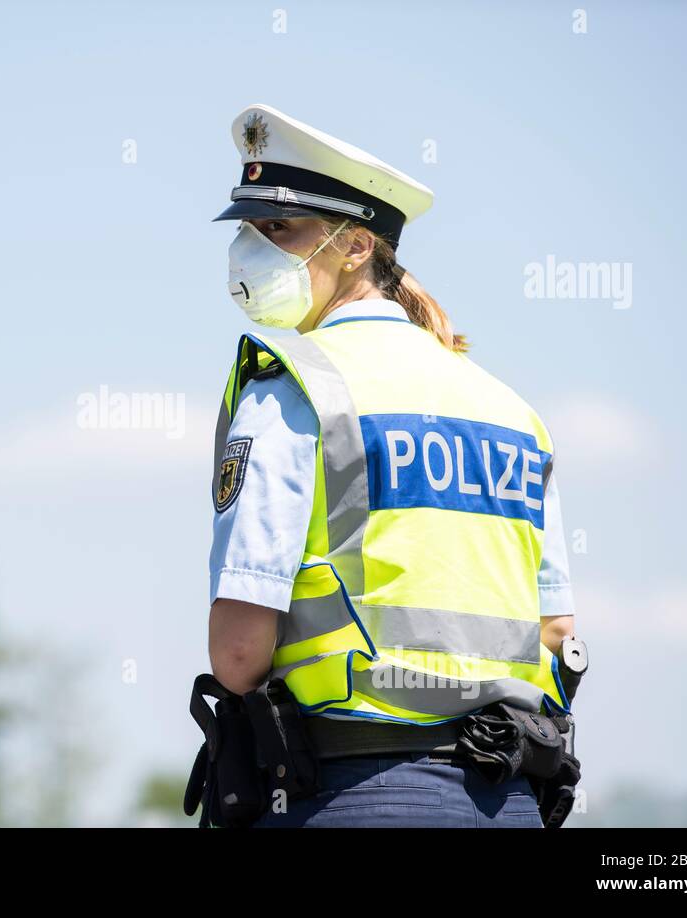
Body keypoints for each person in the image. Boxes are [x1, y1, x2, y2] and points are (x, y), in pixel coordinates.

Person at [207, 105, 578, 828]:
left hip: (348, 794)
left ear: (355, 247)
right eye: (249, 230)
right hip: (508, 801)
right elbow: (558, 633)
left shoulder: (291, 387)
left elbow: (239, 653)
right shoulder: (509, 409)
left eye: (279, 229)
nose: (254, 250)